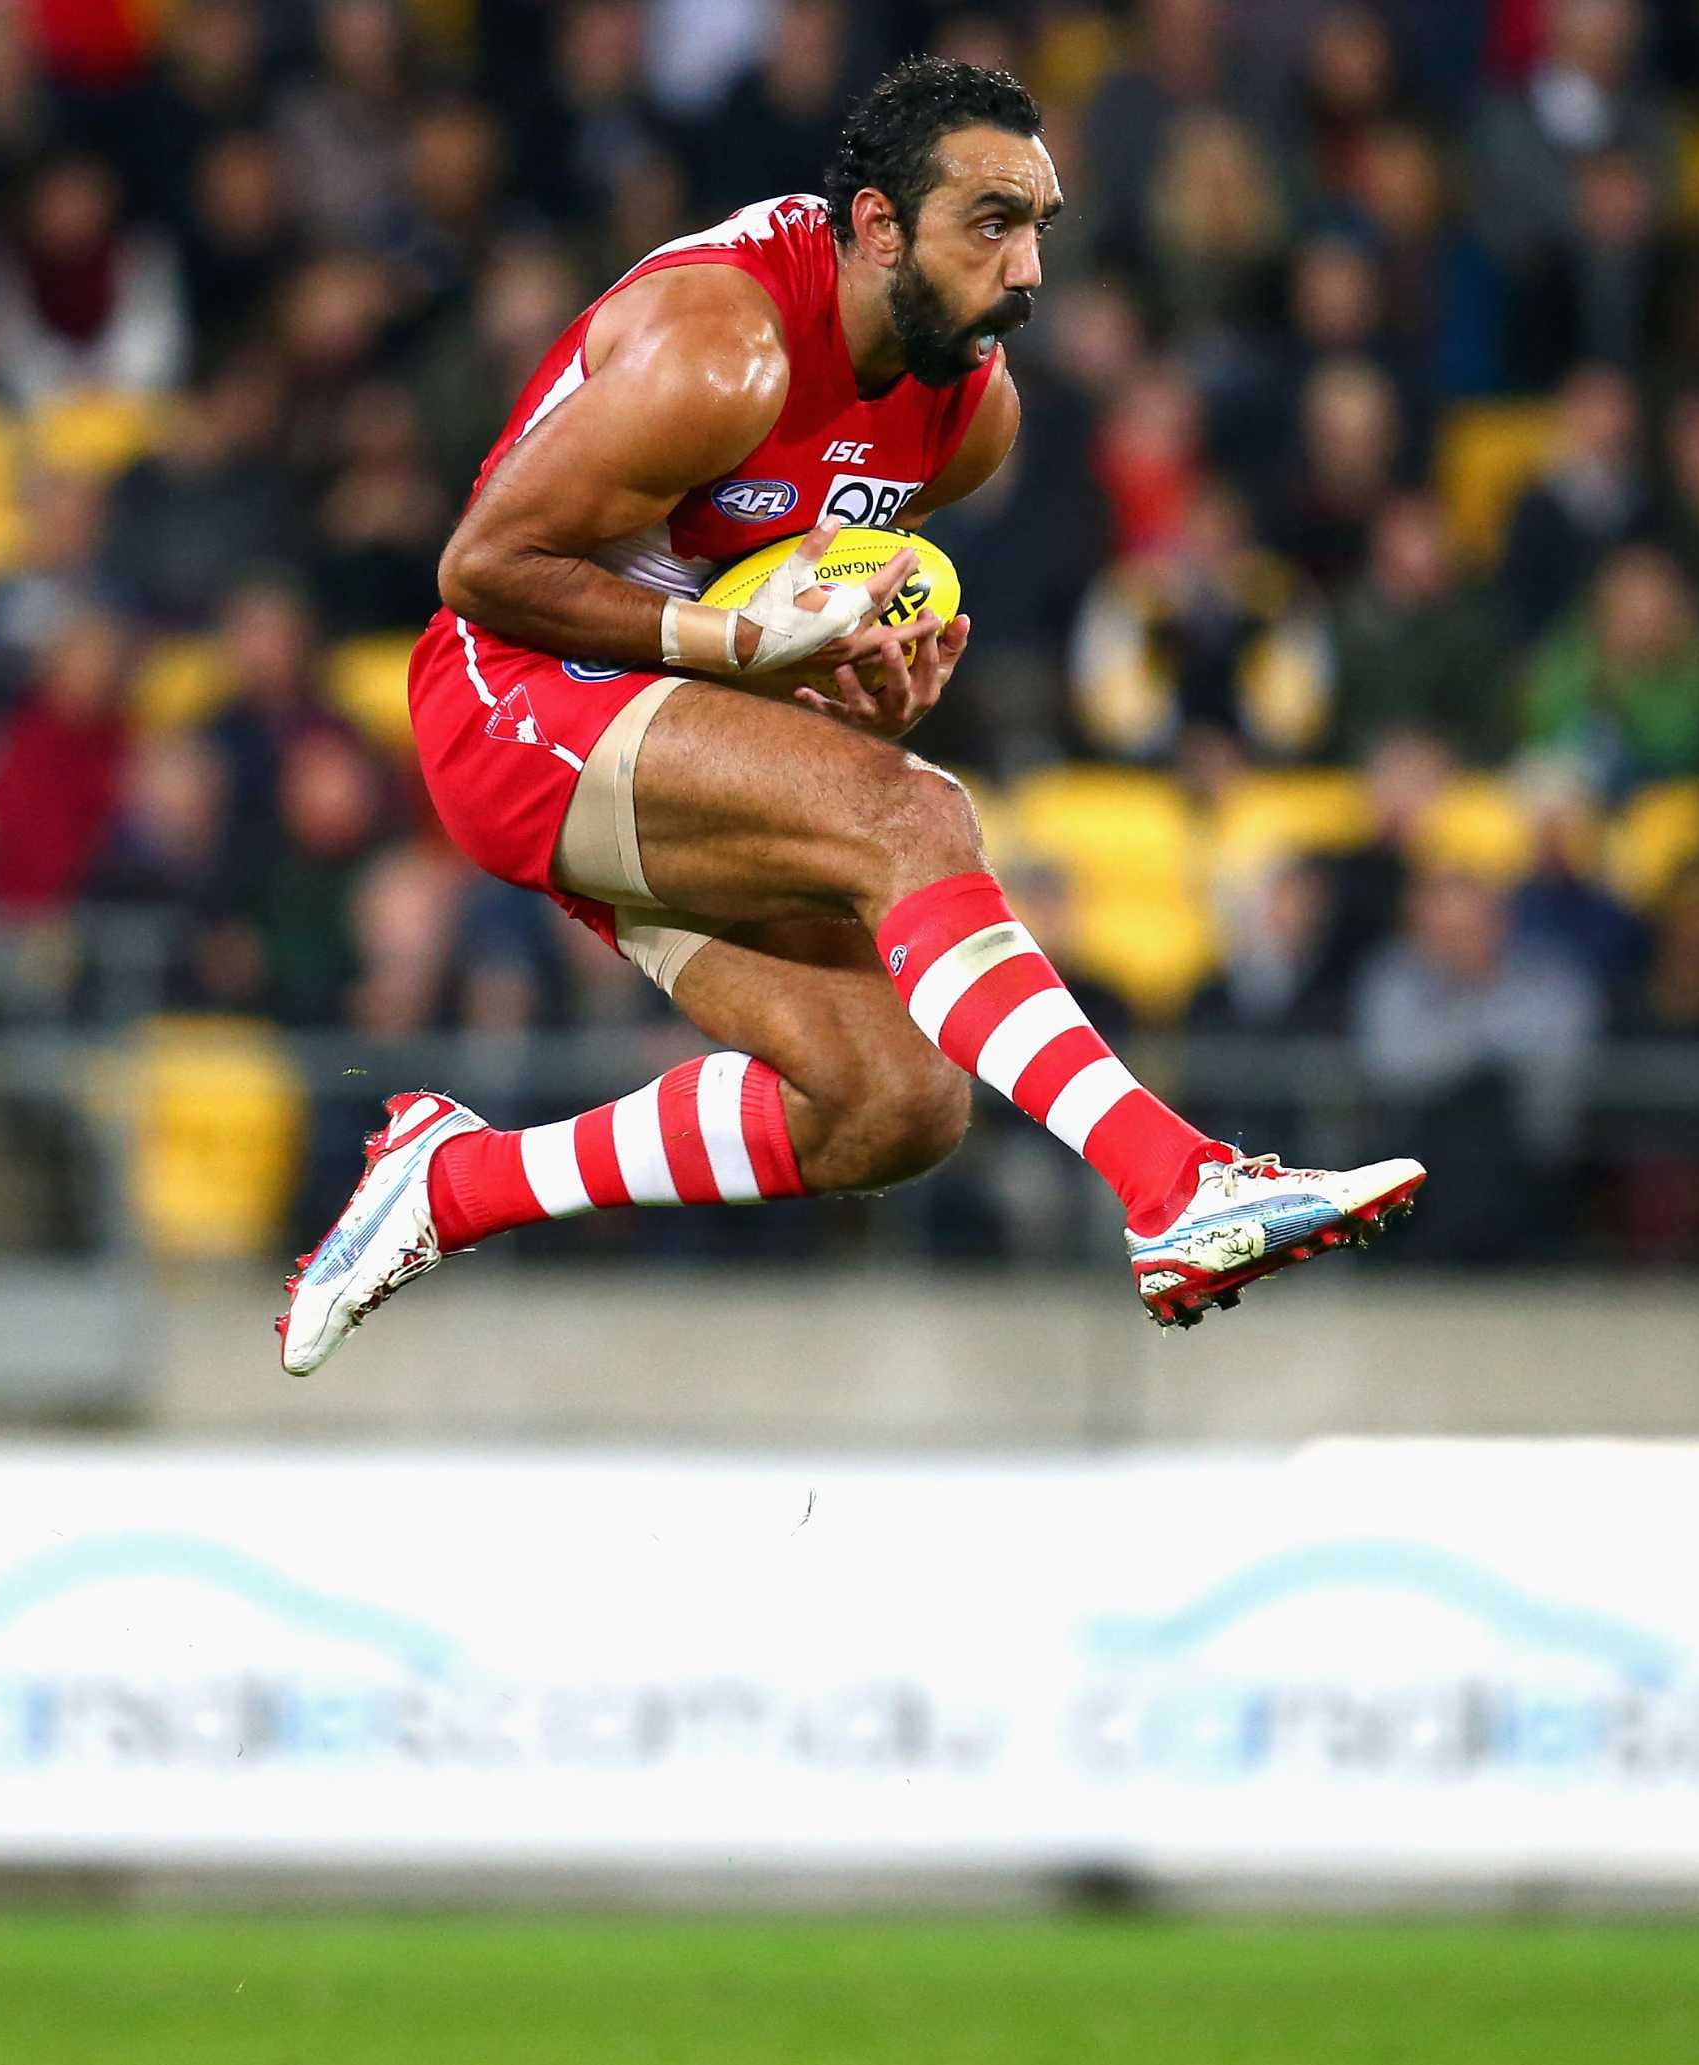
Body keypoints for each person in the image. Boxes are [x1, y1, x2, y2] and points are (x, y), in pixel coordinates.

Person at [277, 57, 1420, 1374]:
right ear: (877, 225)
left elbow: (768, 600)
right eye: (993, 223)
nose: (1030, 270)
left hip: (650, 717)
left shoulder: (971, 416)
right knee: (917, 814)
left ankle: (450, 1182)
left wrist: (841, 683)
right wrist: (731, 647)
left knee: (900, 1101)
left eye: (1040, 225)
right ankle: (1177, 1186)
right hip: (504, 700)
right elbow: (482, 570)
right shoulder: (726, 344)